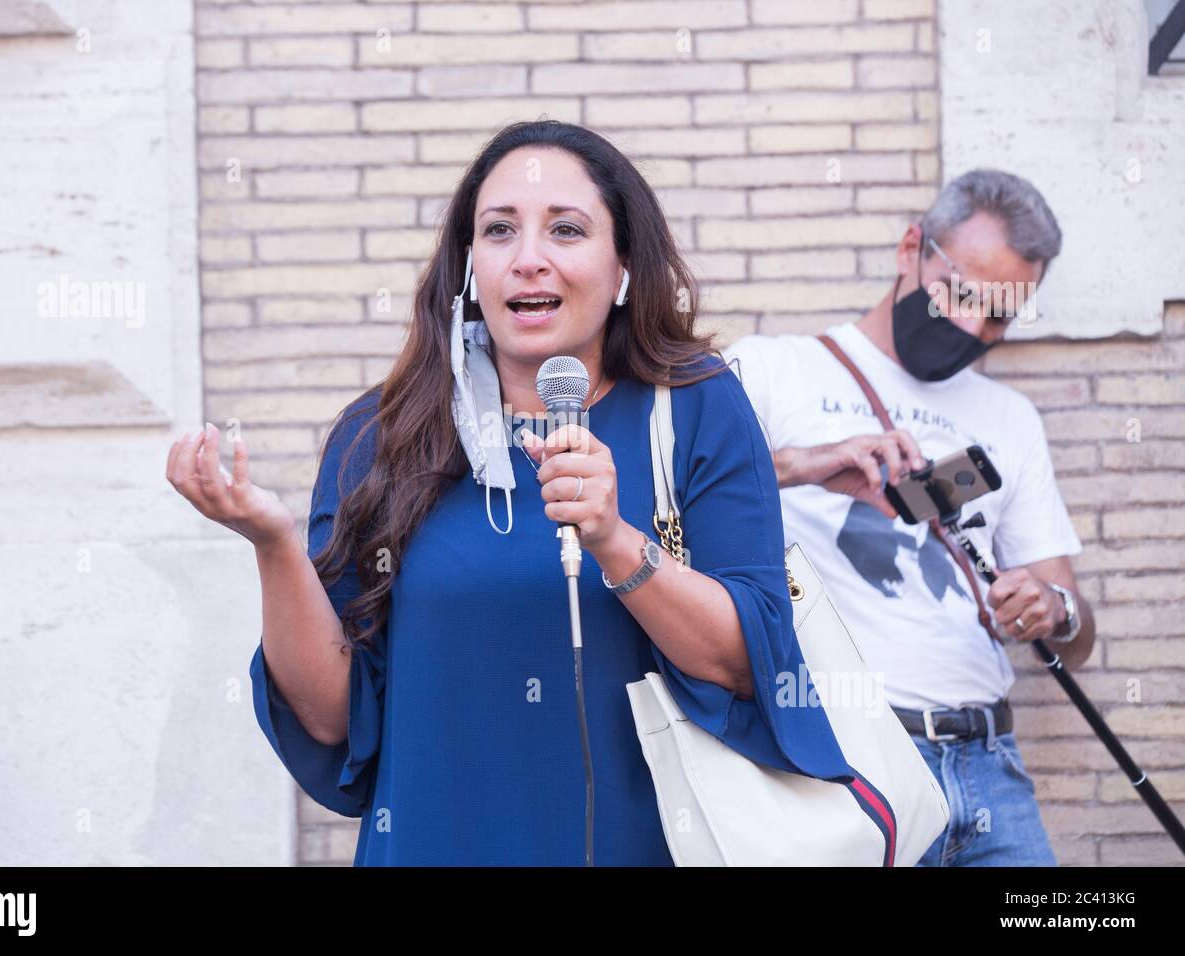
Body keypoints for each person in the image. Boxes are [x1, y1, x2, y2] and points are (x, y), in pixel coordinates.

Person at [167, 120, 857, 866]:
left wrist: (616, 542)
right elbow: (333, 716)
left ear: (623, 262)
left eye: (566, 230)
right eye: (499, 231)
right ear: (469, 265)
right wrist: (272, 545)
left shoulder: (693, 408)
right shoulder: (381, 433)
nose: (529, 260)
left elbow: (747, 662)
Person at [723, 169, 1097, 867]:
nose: (972, 327)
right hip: (849, 759)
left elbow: (1077, 635)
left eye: (999, 313)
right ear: (911, 249)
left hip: (990, 765)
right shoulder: (774, 370)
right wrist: (805, 463)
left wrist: (1053, 610)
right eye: (960, 294)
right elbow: (677, 493)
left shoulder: (1010, 418)